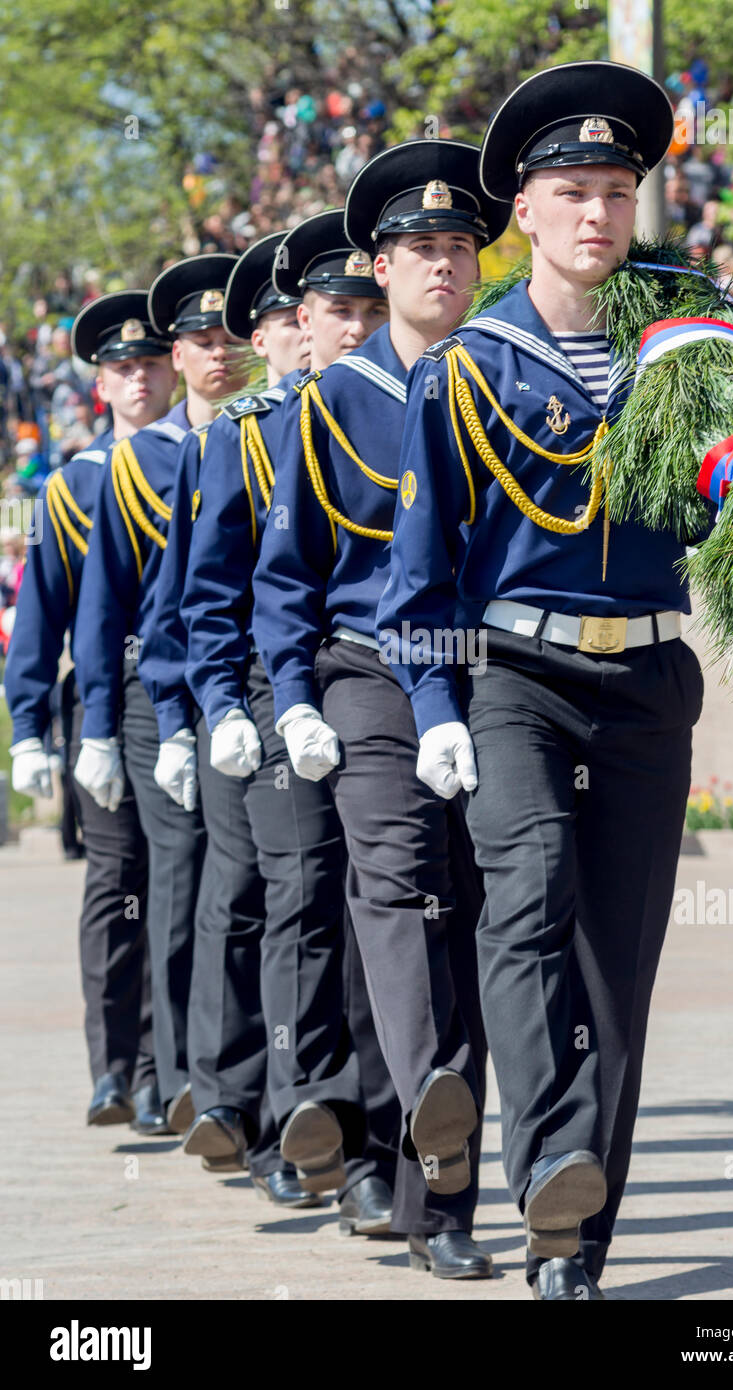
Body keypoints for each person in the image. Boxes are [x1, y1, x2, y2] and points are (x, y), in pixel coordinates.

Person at [378, 61, 705, 1300]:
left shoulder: (684, 353)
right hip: (515, 674)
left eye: (617, 194)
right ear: (522, 209)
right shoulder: (466, 367)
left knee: (618, 967)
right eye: (572, 192)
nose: (596, 217)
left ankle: (574, 1241)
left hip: (647, 682)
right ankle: (551, 1151)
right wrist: (431, 711)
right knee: (525, 904)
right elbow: (419, 575)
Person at [252, 141, 511, 1278]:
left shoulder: (503, 377)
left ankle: (436, 1196)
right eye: (418, 249)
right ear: (380, 265)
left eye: (458, 247)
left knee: (476, 916)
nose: (440, 266)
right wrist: (294, 698)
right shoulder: (332, 404)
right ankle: (429, 1139)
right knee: (400, 887)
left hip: (494, 675)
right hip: (368, 674)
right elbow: (283, 575)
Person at [182, 212, 402, 1229]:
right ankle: (293, 1109)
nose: (354, 327)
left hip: (386, 688)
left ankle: (361, 1137)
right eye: (336, 311)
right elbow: (214, 592)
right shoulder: (251, 433)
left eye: (368, 305)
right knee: (302, 891)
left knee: (381, 909)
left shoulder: (419, 411)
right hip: (281, 697)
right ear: (298, 325)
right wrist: (225, 703)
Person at [137, 232, 318, 1204]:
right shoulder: (228, 437)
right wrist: (184, 713)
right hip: (237, 688)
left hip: (331, 688)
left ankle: (290, 1111)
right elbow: (185, 597)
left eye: (309, 316)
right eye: (284, 319)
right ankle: (227, 1099)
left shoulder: (354, 414)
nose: (299, 332)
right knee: (241, 884)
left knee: (303, 891)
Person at [72, 255, 239, 1135]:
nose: (139, 376)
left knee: (221, 883)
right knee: (139, 881)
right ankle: (143, 1070)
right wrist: (74, 726)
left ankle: (198, 1072)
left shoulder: (254, 434)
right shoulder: (108, 475)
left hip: (245, 691)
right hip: (149, 695)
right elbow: (90, 613)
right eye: (198, 342)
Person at [6, 291, 177, 1133]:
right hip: (99, 702)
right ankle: (113, 1067)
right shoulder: (70, 487)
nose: (137, 377)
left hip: (178, 694)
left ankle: (160, 1070)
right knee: (117, 886)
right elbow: (40, 612)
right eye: (121, 368)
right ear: (99, 385)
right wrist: (28, 724)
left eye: (149, 362)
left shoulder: (201, 457)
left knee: (179, 883)